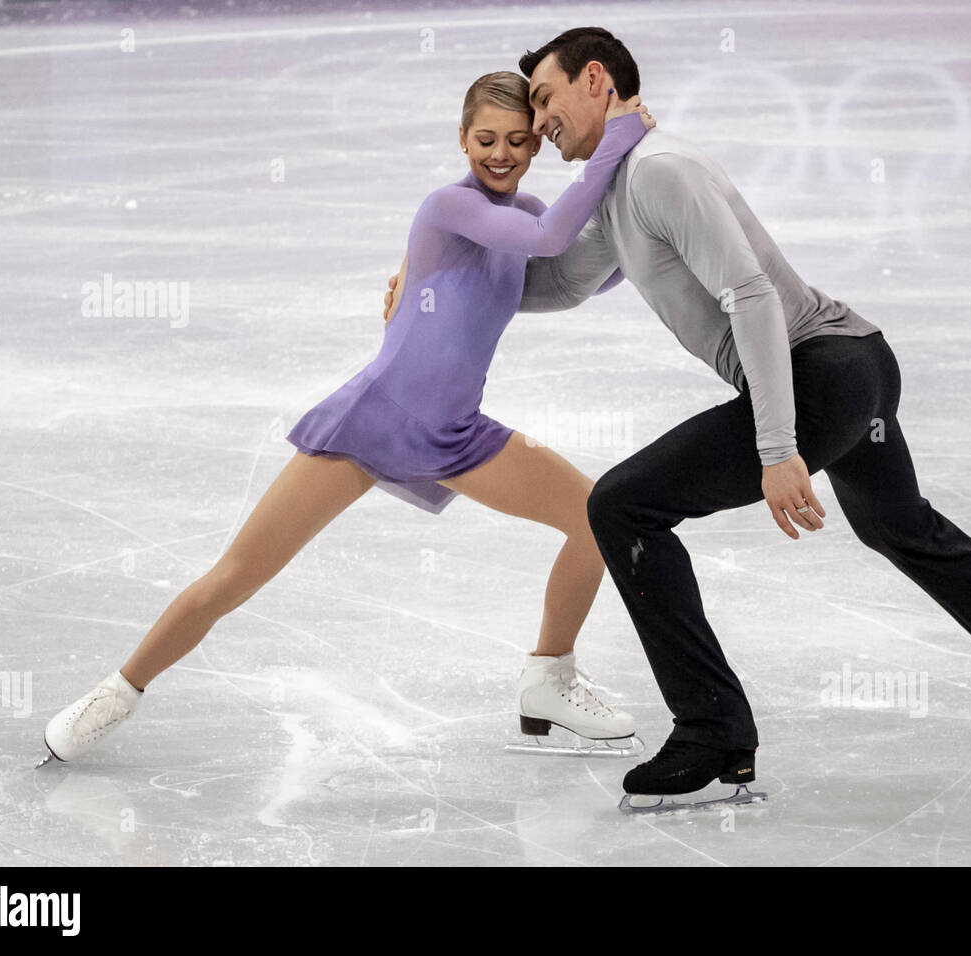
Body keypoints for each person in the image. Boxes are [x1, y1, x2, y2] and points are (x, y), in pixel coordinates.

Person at [473, 27, 971, 809]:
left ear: (595, 80)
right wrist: (449, 282)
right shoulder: (619, 188)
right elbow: (560, 285)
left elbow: (748, 294)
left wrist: (777, 446)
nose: (539, 122)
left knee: (622, 506)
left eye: (545, 98)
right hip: (859, 369)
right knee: (903, 526)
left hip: (822, 377)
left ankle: (713, 733)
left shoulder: (658, 170)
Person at [41, 71, 657, 765]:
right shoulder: (448, 206)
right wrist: (624, 134)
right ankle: (118, 691)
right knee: (238, 574)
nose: (501, 153)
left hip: (454, 435)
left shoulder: (528, 217)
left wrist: (643, 205)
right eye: (485, 138)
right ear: (461, 138)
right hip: (374, 422)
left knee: (596, 515)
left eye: (518, 140)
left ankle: (549, 679)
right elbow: (549, 238)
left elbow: (591, 269)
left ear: (536, 147)